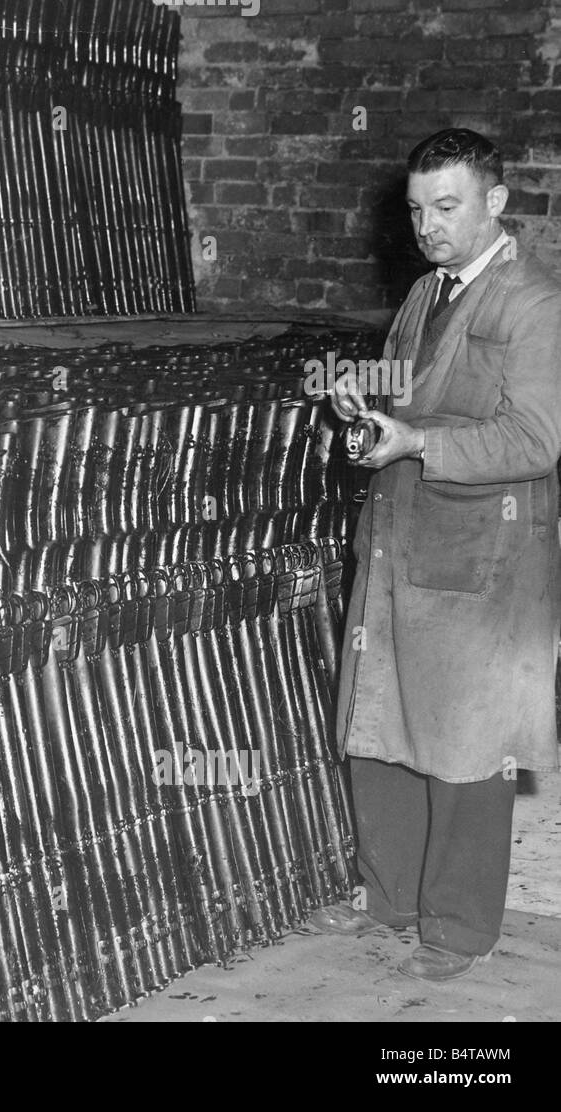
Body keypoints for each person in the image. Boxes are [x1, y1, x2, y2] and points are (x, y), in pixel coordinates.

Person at [311, 128, 561, 981]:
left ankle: (457, 930)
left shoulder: (534, 305)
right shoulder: (426, 293)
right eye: (418, 210)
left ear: (497, 201)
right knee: (380, 719)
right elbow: (406, 393)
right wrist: (365, 402)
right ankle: (390, 902)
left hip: (478, 552)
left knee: (463, 740)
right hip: (401, 535)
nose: (428, 226)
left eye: (447, 207)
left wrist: (416, 439)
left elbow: (537, 437)